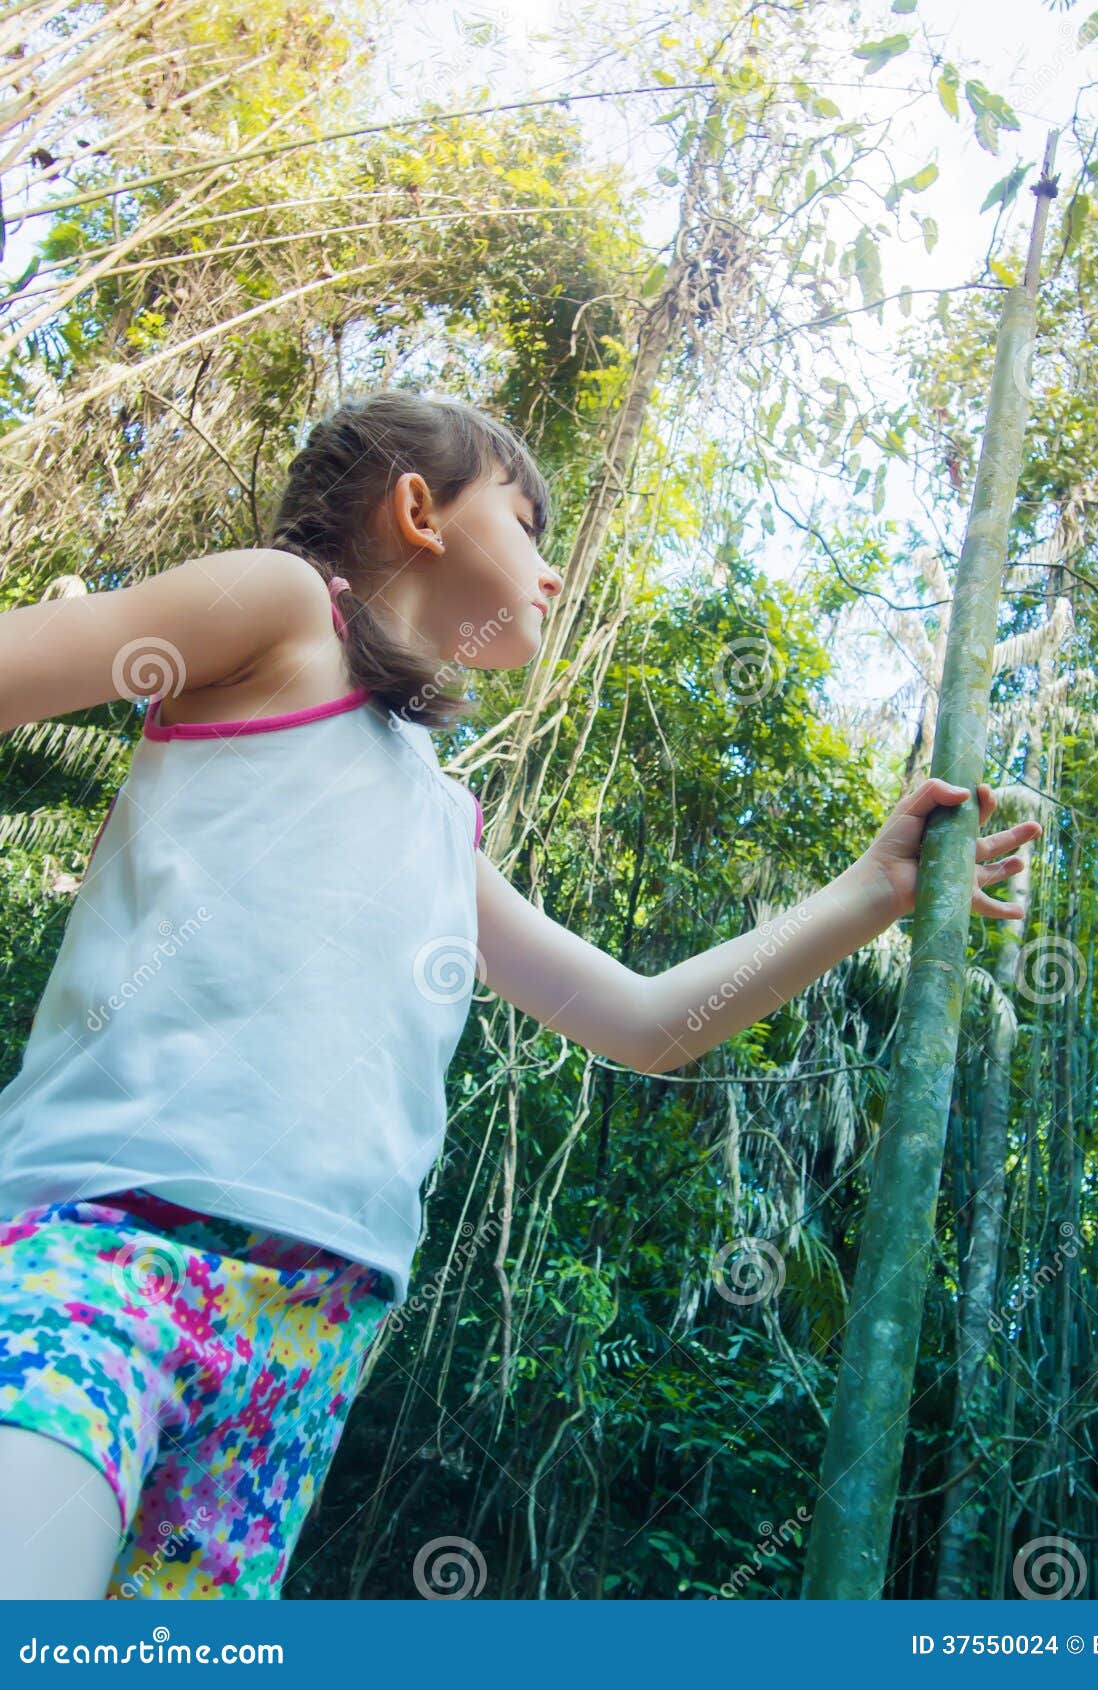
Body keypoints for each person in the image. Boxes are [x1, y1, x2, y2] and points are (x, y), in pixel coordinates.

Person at [0, 389, 1041, 1600]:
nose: (551, 570)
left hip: (310, 1331)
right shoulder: (283, 612)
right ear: (416, 509)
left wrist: (871, 894)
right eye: (528, 522)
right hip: (106, 1239)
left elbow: (646, 1023)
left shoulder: (444, 818)